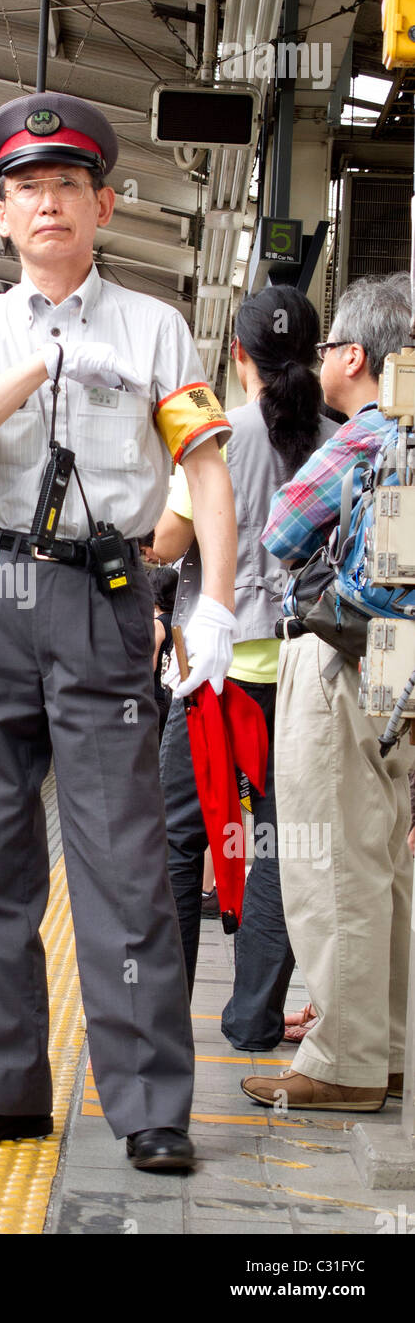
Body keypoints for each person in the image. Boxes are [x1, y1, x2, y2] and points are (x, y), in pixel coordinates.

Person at [0, 90, 238, 1171]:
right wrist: (38, 365)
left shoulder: (153, 328)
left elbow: (203, 473)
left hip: (104, 599)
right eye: (22, 189)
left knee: (123, 857)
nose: (45, 204)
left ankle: (147, 1107)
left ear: (101, 202)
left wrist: (216, 603)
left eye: (64, 185)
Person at [243, 272, 415, 1111]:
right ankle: (380, 1050)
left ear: (354, 355)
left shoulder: (366, 436)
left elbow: (283, 532)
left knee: (331, 855)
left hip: (338, 651)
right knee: (380, 857)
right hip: (399, 657)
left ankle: (341, 1064)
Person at [151, 285, 338, 1050]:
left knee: (177, 836)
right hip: (303, 672)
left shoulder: (215, 442)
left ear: (239, 355)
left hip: (215, 675)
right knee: (277, 845)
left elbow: (164, 543)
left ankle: (161, 1016)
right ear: (316, 355)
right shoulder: (344, 440)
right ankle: (255, 1018)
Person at [147, 564, 177, 741]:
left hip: (158, 698)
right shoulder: (182, 619)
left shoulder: (157, 624)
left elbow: (150, 665)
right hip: (175, 695)